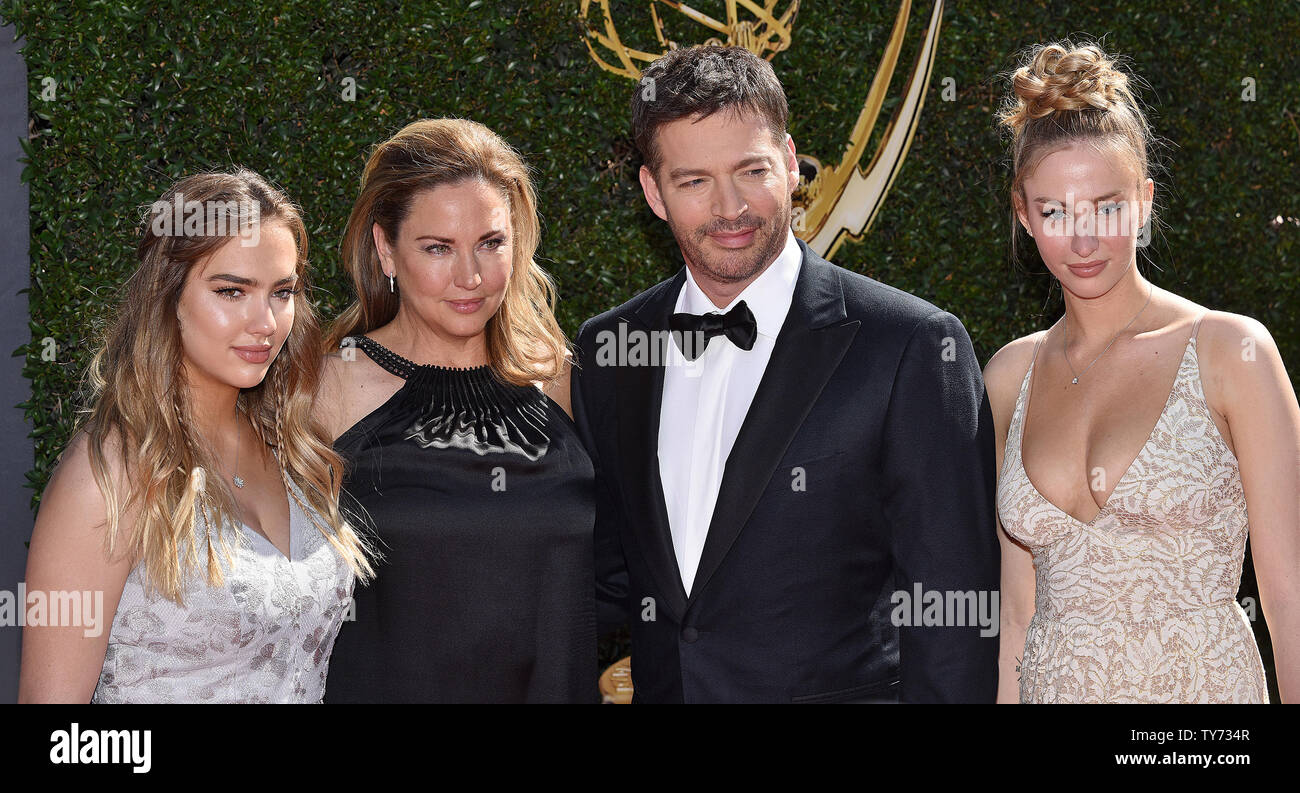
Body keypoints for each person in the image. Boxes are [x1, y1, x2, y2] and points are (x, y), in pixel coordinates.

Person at [571, 44, 999, 703]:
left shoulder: (910, 345)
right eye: (694, 181)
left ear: (792, 163)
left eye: (751, 170)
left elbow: (952, 608)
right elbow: (607, 577)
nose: (730, 206)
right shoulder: (609, 349)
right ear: (654, 193)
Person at [986, 41, 1300, 703]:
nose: (1084, 239)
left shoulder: (1230, 352)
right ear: (1023, 213)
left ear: (1146, 199)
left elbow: (1288, 592)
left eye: (1107, 205)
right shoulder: (1009, 376)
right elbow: (1016, 613)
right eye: (1054, 212)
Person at [19, 169, 374, 703]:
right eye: (232, 291)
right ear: (169, 296)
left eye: (282, 292)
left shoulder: (291, 447)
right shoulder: (110, 476)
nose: (265, 322)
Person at [317, 119, 596, 703]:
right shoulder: (327, 388)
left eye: (491, 243)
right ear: (385, 249)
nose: (469, 277)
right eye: (438, 248)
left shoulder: (562, 381)